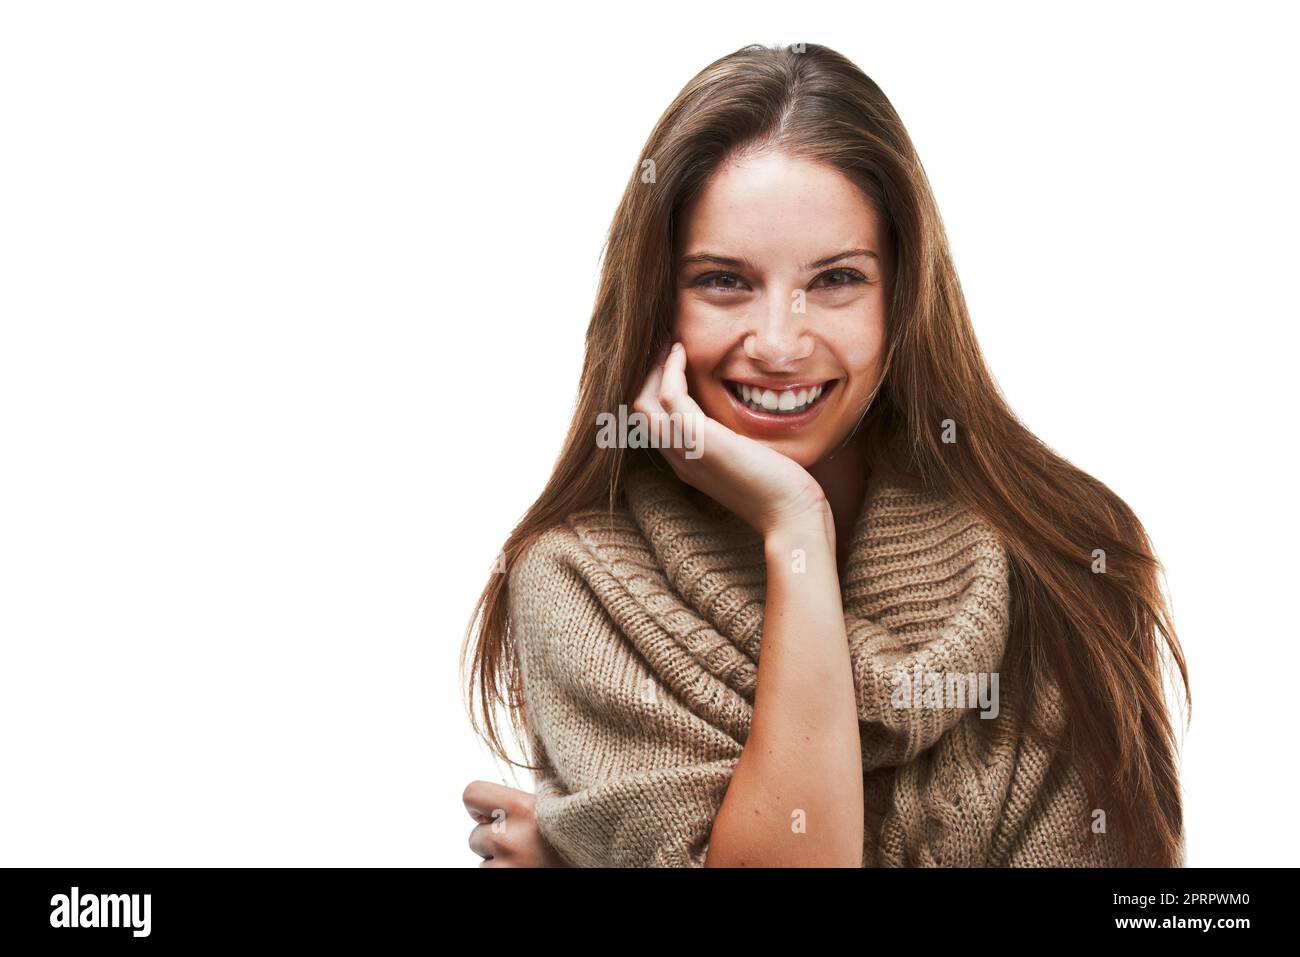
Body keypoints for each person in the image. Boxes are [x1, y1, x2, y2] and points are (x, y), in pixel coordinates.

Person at [461, 42, 1189, 867]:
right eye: (723, 281)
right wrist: (794, 526)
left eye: (837, 278)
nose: (778, 343)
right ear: (659, 300)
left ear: (902, 296)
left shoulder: (1064, 554)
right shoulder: (580, 579)